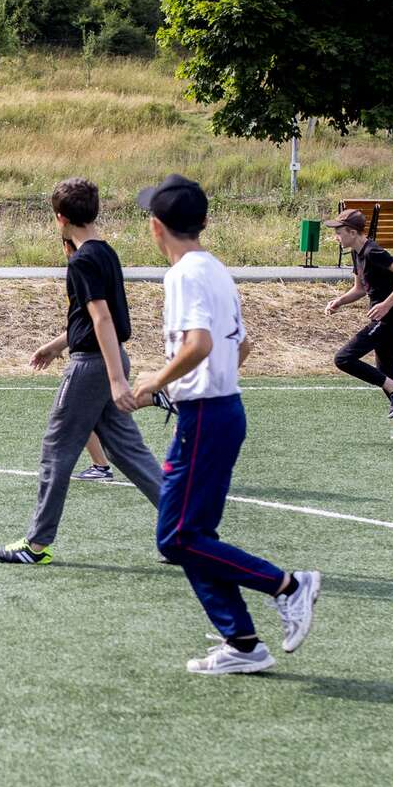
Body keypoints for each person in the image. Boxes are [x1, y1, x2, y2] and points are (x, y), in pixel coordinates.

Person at [117, 174, 319, 675]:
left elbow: (200, 344)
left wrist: (152, 383)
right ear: (203, 222)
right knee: (193, 533)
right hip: (219, 410)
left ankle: (288, 586)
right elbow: (240, 346)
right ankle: (244, 644)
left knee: (176, 539)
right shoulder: (216, 270)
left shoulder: (184, 275)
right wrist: (195, 385)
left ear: (156, 227)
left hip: (207, 416)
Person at [0, 178, 161, 565]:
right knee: (127, 450)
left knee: (57, 447)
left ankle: (36, 545)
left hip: (94, 365)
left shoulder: (82, 260)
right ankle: (185, 530)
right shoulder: (105, 253)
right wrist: (57, 345)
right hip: (109, 356)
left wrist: (116, 379)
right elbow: (93, 318)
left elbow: (102, 319)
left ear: (60, 218)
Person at [322, 209, 393, 440]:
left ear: (352, 232)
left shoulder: (373, 252)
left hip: (388, 319)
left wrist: (386, 304)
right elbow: (360, 289)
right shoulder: (357, 253)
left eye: (339, 232)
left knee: (343, 359)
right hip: (385, 318)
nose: (336, 237)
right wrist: (339, 302)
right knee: (387, 373)